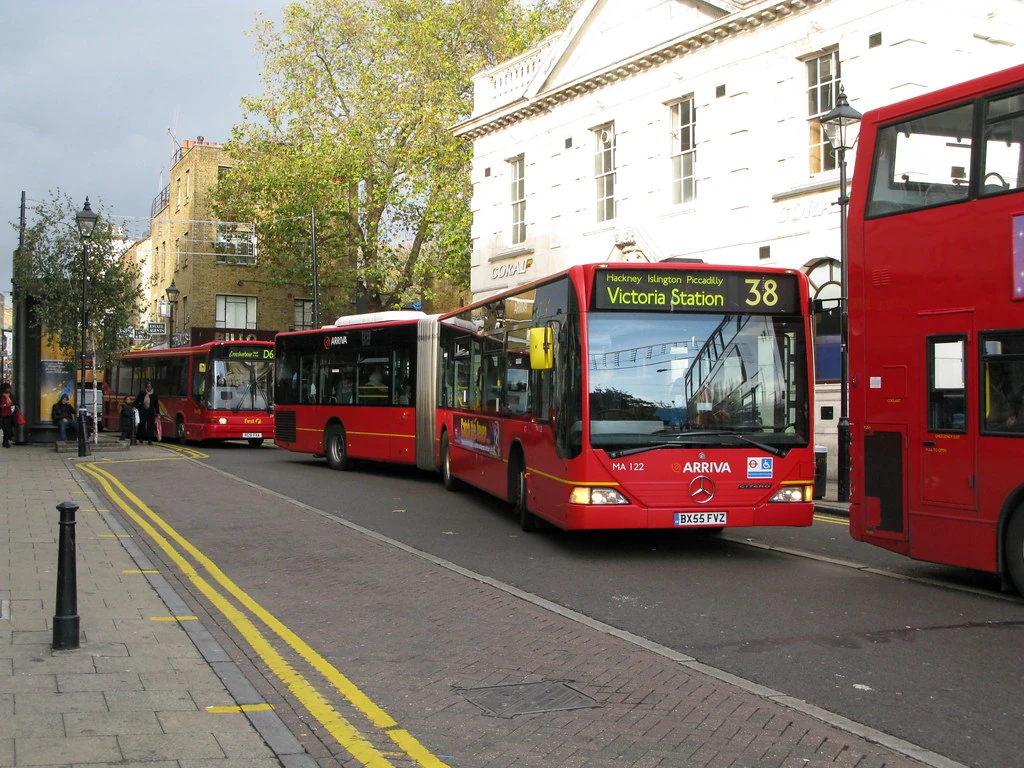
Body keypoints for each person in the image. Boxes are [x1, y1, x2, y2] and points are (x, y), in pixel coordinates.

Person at [134, 380, 159, 445]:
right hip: (143, 411)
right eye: (148, 386)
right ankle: (141, 438)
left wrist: (157, 413)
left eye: (150, 387)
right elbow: (137, 401)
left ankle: (149, 440)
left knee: (150, 426)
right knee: (142, 425)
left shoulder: (154, 395)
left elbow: (156, 405)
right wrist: (134, 406)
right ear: (146, 387)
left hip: (150, 412)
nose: (149, 388)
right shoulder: (142, 393)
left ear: (152, 387)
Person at [0, 383, 16, 448]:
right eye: (7, 388)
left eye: (9, 388)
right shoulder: (1, 396)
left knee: (8, 429)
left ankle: (5, 441)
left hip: (9, 415)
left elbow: (15, 403)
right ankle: (5, 442)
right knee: (5, 429)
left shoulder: (11, 396)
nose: (9, 389)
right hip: (2, 415)